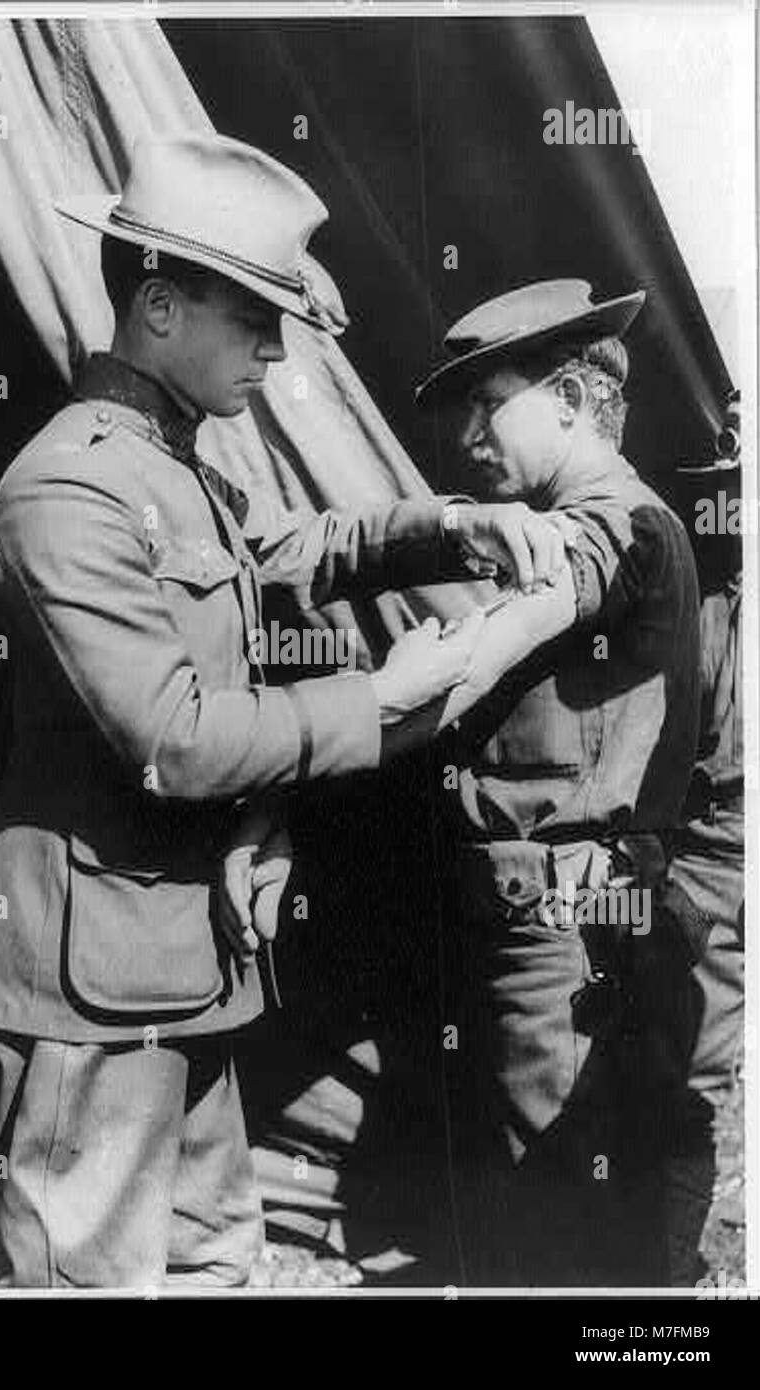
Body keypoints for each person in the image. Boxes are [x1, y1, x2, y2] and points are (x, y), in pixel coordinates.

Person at [0, 133, 574, 1288]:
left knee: (208, 1267)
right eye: (254, 321)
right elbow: (179, 741)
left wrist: (449, 526)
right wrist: (378, 696)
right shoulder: (67, 488)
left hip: (183, 957)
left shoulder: (174, 467)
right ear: (160, 306)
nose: (277, 350)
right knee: (86, 1278)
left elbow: (288, 548)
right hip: (96, 985)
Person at [414, 279, 703, 1285]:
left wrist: (420, 677)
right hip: (560, 907)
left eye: (485, 400)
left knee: (548, 1218)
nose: (463, 429)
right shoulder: (602, 515)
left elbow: (511, 631)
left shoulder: (608, 523)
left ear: (574, 404)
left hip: (556, 916)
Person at [641, 433, 744, 1286]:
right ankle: (665, 1275)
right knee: (690, 1079)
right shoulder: (707, 611)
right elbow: (674, 755)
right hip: (716, 859)